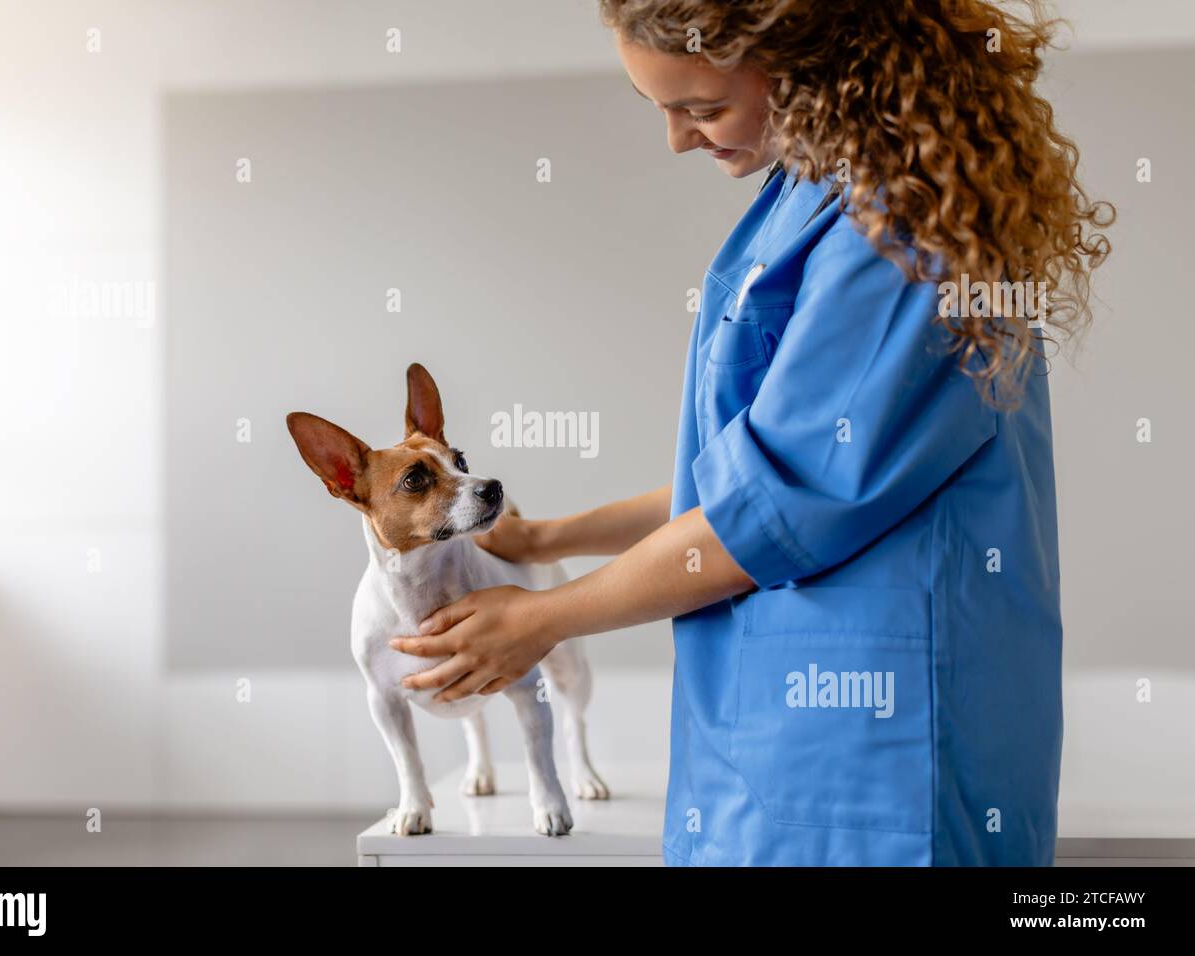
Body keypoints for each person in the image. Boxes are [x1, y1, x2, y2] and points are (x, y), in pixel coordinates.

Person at [389, 0, 1114, 866]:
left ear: (805, 60)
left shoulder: (902, 233)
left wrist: (546, 618)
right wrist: (551, 537)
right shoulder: (808, 199)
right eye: (659, 109)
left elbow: (769, 513)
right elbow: (753, 475)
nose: (677, 140)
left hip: (874, 756)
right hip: (779, 737)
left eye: (699, 110)